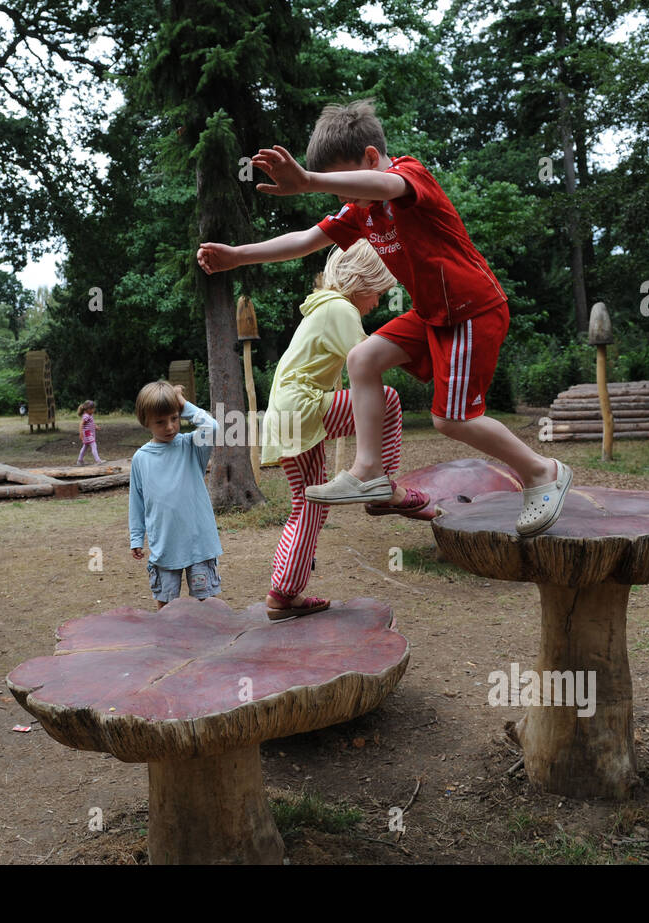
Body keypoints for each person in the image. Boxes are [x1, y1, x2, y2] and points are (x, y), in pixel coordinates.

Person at [197, 99, 572, 537]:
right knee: (363, 359)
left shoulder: (409, 177)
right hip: (433, 314)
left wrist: (308, 181)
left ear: (371, 159)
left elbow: (389, 185)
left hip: (473, 310)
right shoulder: (361, 210)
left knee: (451, 420)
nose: (342, 197)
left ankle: (542, 471)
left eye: (344, 183)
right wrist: (237, 257)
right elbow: (306, 240)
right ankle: (370, 469)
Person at [261, 240, 422, 621]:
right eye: (379, 293)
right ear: (364, 283)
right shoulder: (340, 308)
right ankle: (382, 486)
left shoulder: (324, 306)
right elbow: (370, 360)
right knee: (388, 400)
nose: (379, 303)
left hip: (288, 413)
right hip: (302, 408)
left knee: (309, 505)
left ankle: (284, 594)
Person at [129, 381, 222, 609]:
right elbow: (137, 502)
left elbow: (212, 427)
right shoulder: (141, 459)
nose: (170, 427)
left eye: (174, 418)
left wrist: (183, 403)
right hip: (164, 546)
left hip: (198, 544)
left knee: (207, 605)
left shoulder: (191, 446)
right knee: (165, 607)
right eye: (160, 422)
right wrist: (136, 537)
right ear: (146, 421)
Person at [76, 400, 101, 464]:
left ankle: (79, 460)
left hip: (88, 433)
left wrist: (96, 427)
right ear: (88, 409)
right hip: (87, 434)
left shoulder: (90, 415)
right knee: (93, 445)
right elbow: (81, 424)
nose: (94, 410)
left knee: (85, 446)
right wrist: (81, 433)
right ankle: (98, 460)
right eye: (93, 409)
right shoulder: (86, 416)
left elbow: (91, 423)